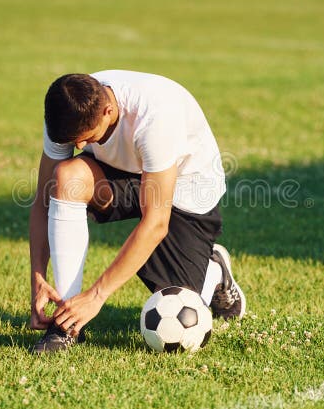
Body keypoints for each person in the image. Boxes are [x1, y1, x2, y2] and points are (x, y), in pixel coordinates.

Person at [28, 70, 246, 353]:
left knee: (179, 302)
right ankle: (67, 326)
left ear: (108, 111)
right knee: (67, 177)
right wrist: (37, 277)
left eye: (88, 138)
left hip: (185, 186)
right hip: (127, 173)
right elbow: (43, 202)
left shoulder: (155, 118)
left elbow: (156, 222)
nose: (79, 146)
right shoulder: (66, 112)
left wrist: (97, 295)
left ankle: (214, 272)